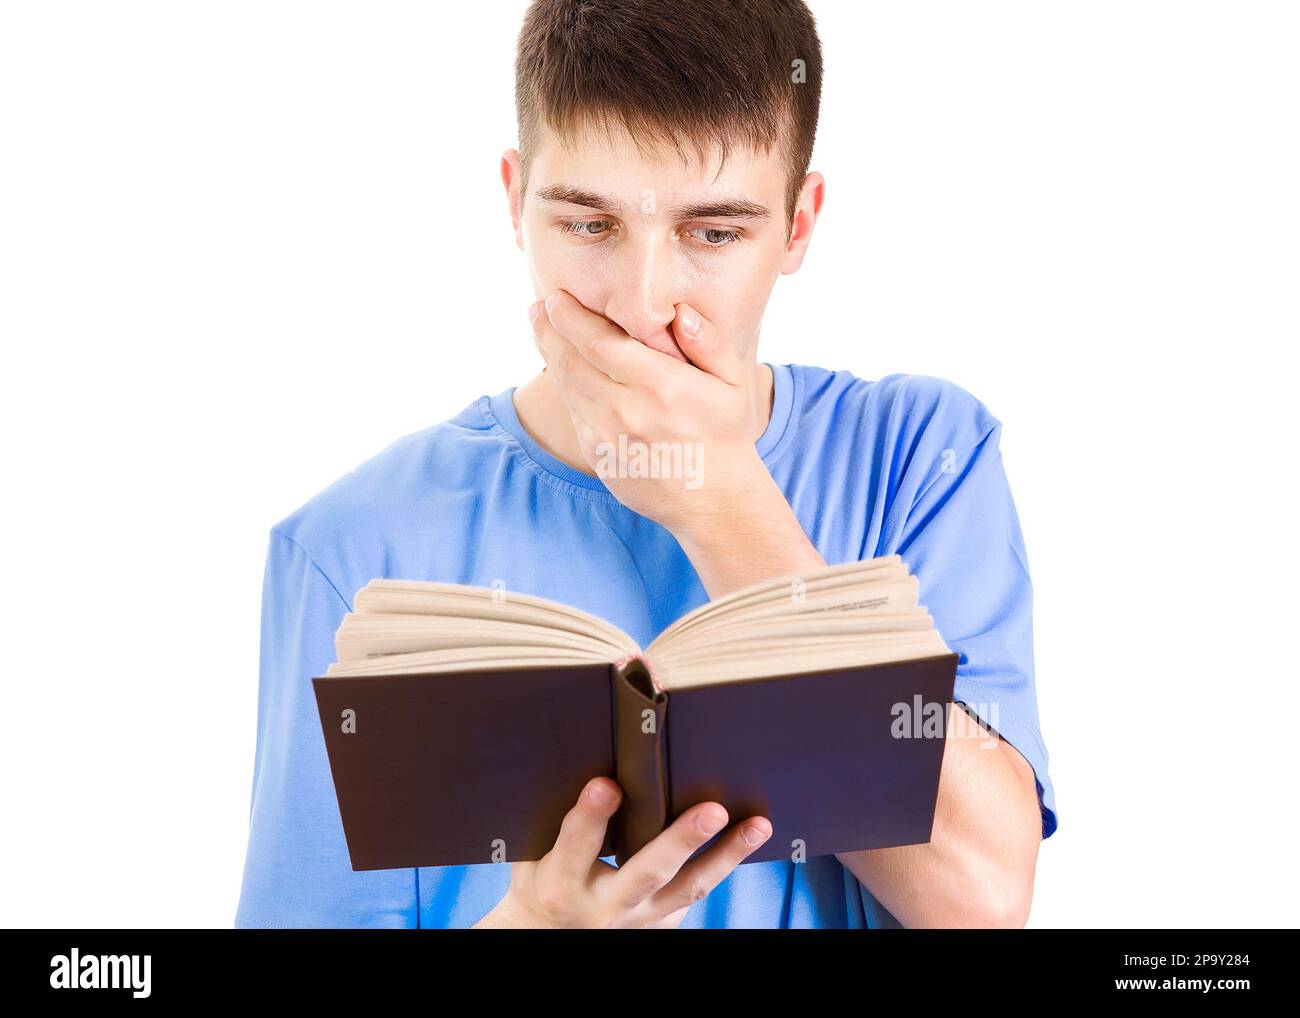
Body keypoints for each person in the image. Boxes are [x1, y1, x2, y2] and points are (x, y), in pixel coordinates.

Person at [235, 0, 1057, 929]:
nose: (644, 303)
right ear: (515, 201)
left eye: (714, 233)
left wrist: (723, 504)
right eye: (589, 224)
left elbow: (982, 902)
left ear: (798, 226)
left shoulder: (921, 460)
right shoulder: (351, 545)